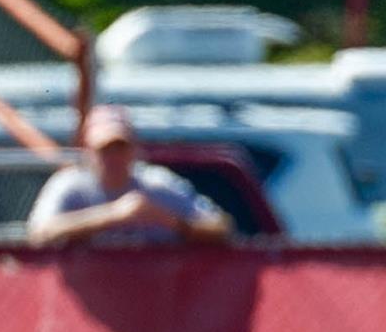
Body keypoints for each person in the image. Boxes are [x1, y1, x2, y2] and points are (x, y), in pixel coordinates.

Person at [25, 106, 233, 247]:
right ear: (88, 151)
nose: (114, 157)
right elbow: (39, 233)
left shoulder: (157, 185)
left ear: (134, 150)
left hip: (155, 298)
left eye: (121, 147)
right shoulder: (69, 186)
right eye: (105, 149)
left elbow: (221, 227)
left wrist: (167, 220)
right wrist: (114, 215)